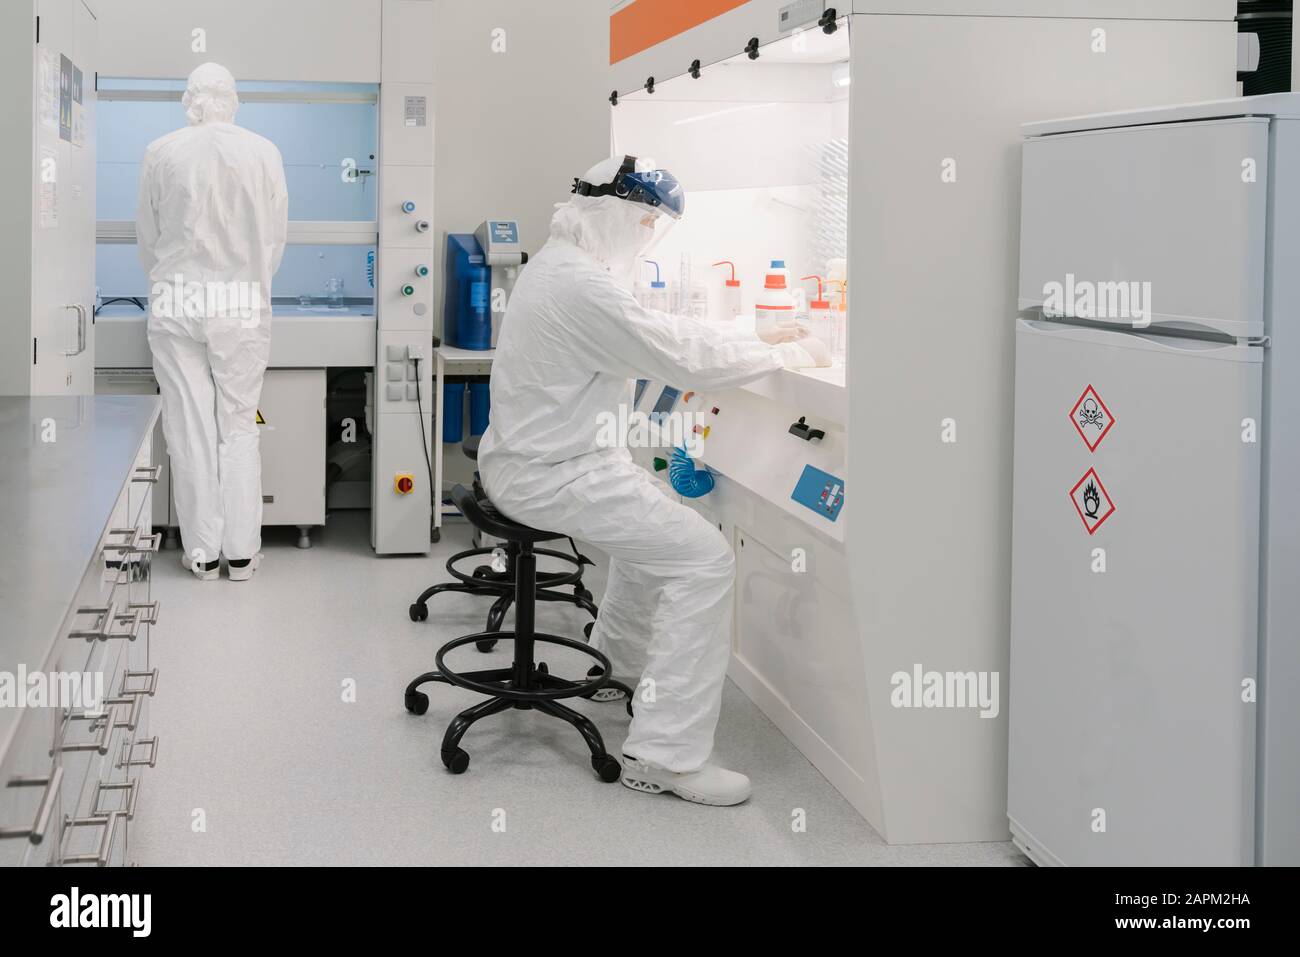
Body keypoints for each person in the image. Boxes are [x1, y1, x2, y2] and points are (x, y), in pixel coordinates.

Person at [478, 156, 831, 806]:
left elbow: (660, 335)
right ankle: (665, 756)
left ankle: (617, 663)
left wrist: (750, 333)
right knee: (705, 560)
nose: (647, 237)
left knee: (656, 535)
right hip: (552, 474)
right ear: (618, 214)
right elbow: (676, 352)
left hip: (547, 461)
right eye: (646, 224)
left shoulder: (563, 267)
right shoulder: (581, 286)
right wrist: (778, 352)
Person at [136, 63, 288, 582]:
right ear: (233, 100)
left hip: (177, 301)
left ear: (190, 100)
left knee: (190, 428)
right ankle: (242, 554)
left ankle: (201, 553)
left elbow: (148, 240)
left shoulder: (161, 151)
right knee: (239, 428)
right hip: (241, 303)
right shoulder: (264, 152)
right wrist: (246, 279)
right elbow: (274, 241)